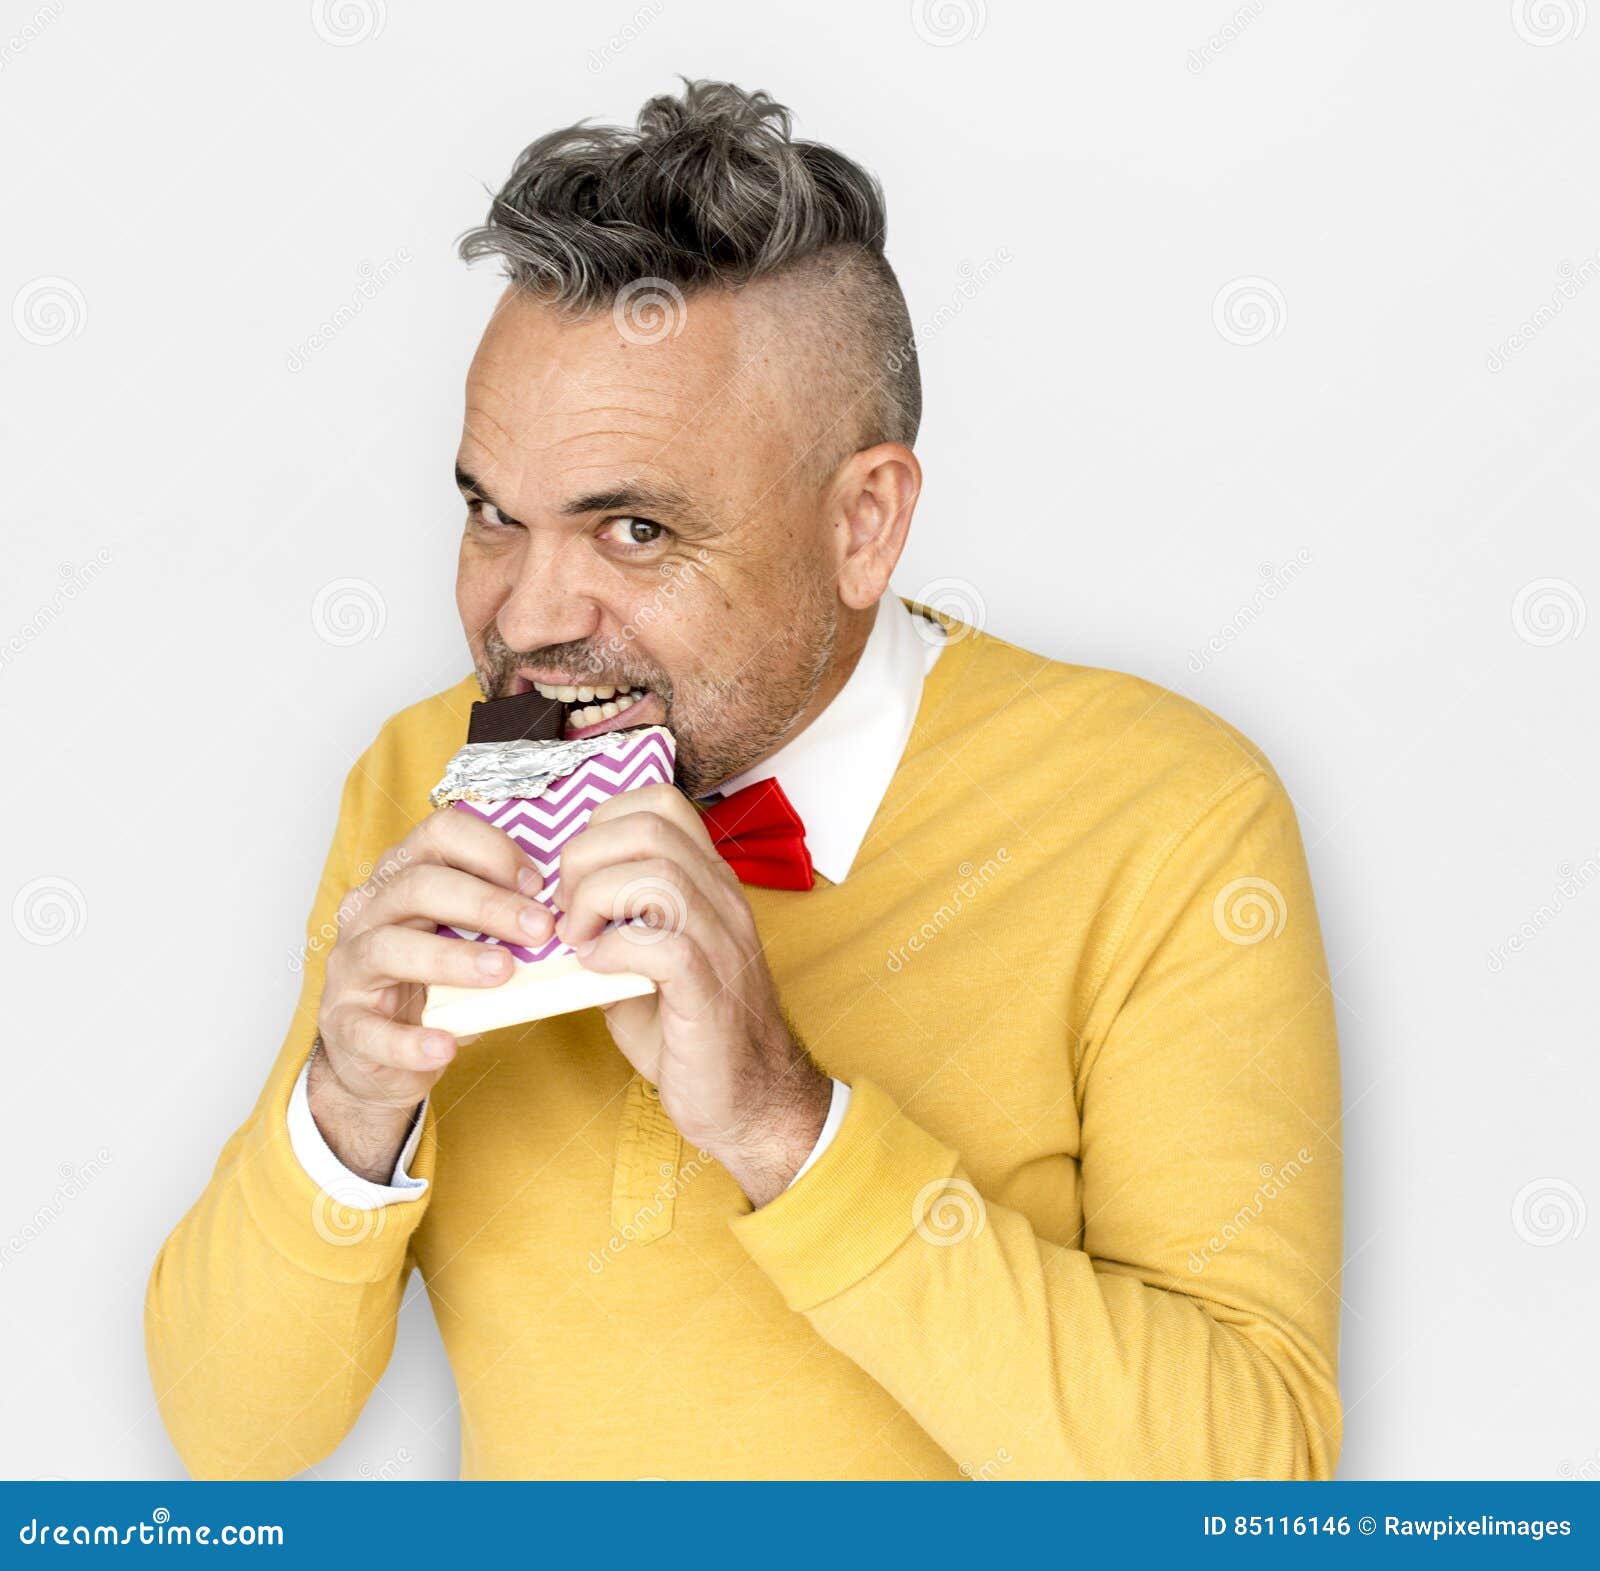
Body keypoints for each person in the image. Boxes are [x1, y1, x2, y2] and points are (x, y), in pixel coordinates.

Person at [146, 79, 1342, 1480]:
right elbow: (232, 1440)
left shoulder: (1167, 811)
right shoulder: (422, 775)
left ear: (865, 523)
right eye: (491, 514)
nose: (527, 618)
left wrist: (791, 1127)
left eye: (635, 529)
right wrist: (347, 1107)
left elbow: (1251, 1480)